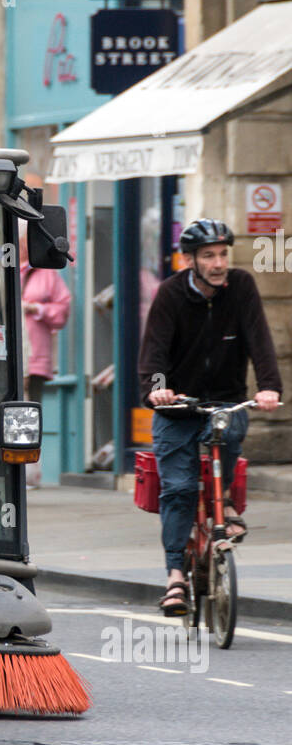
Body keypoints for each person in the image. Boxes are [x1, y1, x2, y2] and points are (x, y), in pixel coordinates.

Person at [138, 218, 282, 617]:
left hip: (224, 398)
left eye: (222, 254)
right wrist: (158, 389)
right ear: (190, 260)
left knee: (231, 430)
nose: (219, 263)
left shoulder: (242, 287)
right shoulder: (169, 295)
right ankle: (174, 578)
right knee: (180, 488)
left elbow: (260, 342)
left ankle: (227, 504)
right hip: (177, 404)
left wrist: (269, 387)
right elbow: (154, 356)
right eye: (208, 256)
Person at [19, 221, 71, 487]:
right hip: (5, 354)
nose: (21, 245)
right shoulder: (1, 268)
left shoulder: (46, 273)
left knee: (30, 411)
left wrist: (36, 309)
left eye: (23, 240)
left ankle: (30, 472)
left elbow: (62, 312)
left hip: (35, 356)